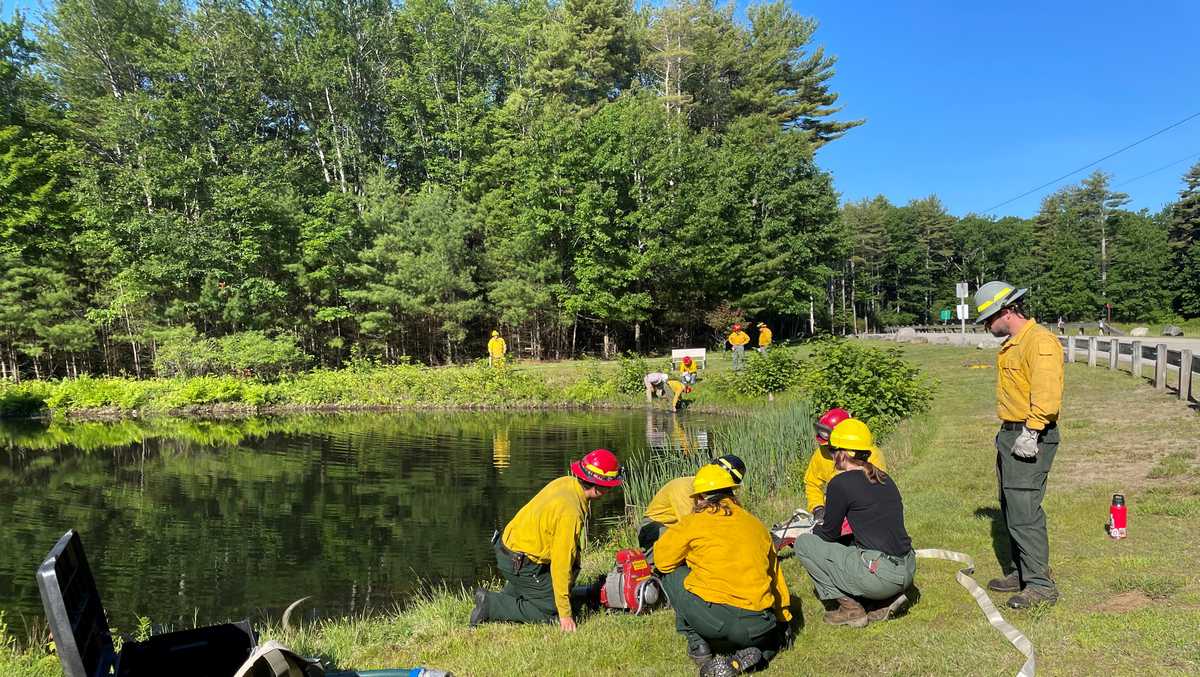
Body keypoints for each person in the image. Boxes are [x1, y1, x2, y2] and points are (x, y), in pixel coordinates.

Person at [974, 280, 1063, 609]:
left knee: (1024, 509)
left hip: (1031, 434)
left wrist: (1032, 431)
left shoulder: (1039, 342)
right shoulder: (1016, 342)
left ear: (1007, 311)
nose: (986, 326)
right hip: (1012, 432)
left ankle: (1040, 586)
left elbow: (1046, 392)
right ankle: (1020, 572)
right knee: (1010, 506)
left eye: (988, 319)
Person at [654, 465, 791, 674]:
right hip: (760, 622)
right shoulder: (756, 525)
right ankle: (756, 655)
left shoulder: (693, 522)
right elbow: (775, 578)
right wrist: (783, 619)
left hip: (717, 622)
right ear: (731, 493)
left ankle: (698, 646)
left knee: (672, 576)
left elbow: (662, 561)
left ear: (700, 497)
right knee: (767, 641)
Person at [469, 449, 623, 631]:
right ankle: (491, 604)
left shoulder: (566, 483)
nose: (611, 489)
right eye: (610, 485)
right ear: (598, 487)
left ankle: (514, 594)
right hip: (520, 562)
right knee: (550, 610)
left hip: (509, 549)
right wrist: (565, 615)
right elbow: (560, 564)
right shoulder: (570, 512)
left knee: (551, 593)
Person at [793, 418, 915, 628]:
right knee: (850, 545)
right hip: (908, 567)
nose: (830, 455)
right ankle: (884, 601)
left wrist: (811, 528)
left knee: (804, 544)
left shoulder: (839, 483)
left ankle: (851, 610)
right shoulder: (883, 477)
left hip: (882, 575)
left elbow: (828, 534)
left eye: (832, 450)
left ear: (845, 453)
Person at [639, 455, 747, 551]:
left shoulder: (714, 490)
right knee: (679, 549)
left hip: (680, 526)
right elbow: (689, 527)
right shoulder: (683, 488)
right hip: (658, 526)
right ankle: (654, 568)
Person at [804, 411, 887, 529]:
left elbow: (877, 488)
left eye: (834, 448)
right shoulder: (821, 454)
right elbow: (812, 483)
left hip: (865, 512)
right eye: (829, 447)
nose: (832, 453)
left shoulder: (870, 454)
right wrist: (818, 507)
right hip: (834, 511)